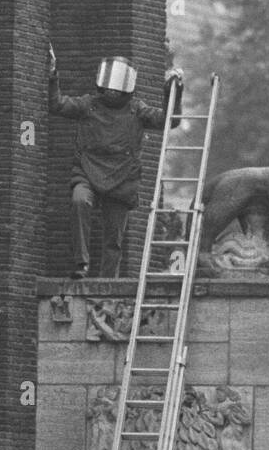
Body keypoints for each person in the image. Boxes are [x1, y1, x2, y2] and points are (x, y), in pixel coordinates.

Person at [48, 44, 184, 278]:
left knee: (114, 237)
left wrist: (173, 92)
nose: (111, 92)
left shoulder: (136, 110)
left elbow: (169, 120)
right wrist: (52, 75)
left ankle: (108, 281)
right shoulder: (88, 105)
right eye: (108, 88)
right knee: (80, 201)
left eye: (117, 89)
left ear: (127, 90)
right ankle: (81, 264)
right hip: (87, 170)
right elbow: (57, 104)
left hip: (122, 177)